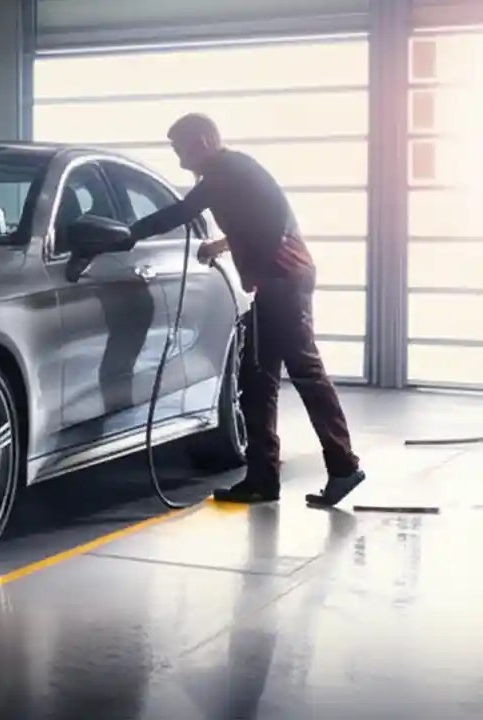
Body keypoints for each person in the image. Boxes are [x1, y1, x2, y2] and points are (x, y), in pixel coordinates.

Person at [128, 112, 365, 506]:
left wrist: (129, 234)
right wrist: (221, 247)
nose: (178, 156)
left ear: (201, 141)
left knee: (302, 372)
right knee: (258, 380)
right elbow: (250, 220)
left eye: (179, 147)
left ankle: (342, 466)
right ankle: (263, 479)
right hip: (282, 280)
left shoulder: (227, 171)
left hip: (283, 282)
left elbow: (261, 220)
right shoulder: (230, 173)